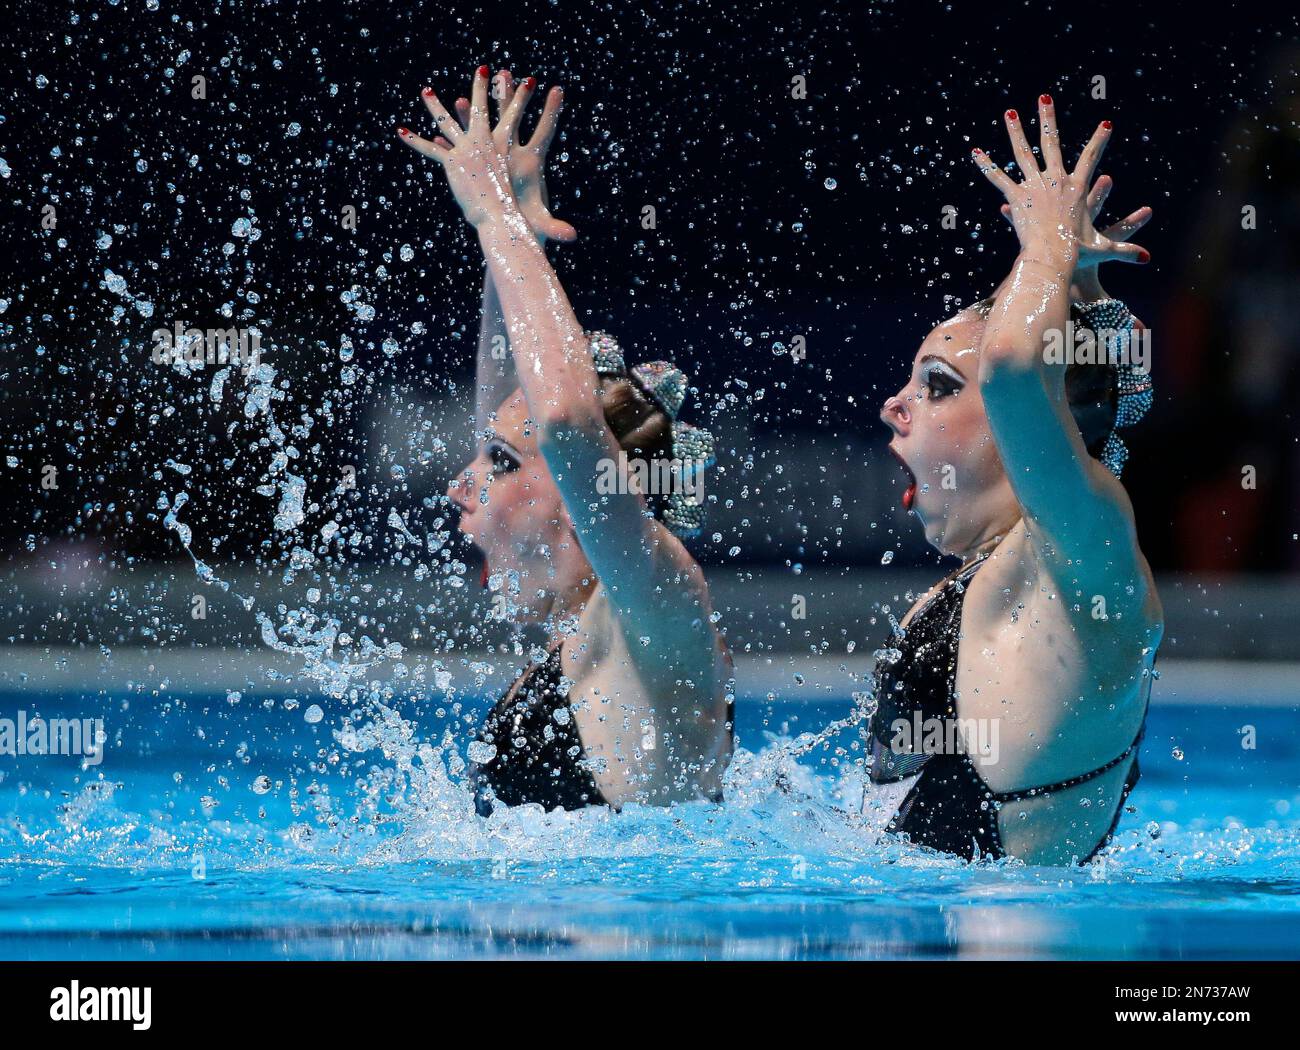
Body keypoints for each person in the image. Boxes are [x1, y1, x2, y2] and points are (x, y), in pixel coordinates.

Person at [398, 67, 733, 814]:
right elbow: (524, 413)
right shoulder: (583, 622)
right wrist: (510, 240)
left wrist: (496, 222)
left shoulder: (652, 608)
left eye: (499, 464)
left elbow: (564, 427)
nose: (461, 482)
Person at [868, 95, 1163, 864]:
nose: (893, 404)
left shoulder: (1084, 552)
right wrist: (1073, 287)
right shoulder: (992, 577)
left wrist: (1048, 246)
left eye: (935, 384)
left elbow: (1012, 369)